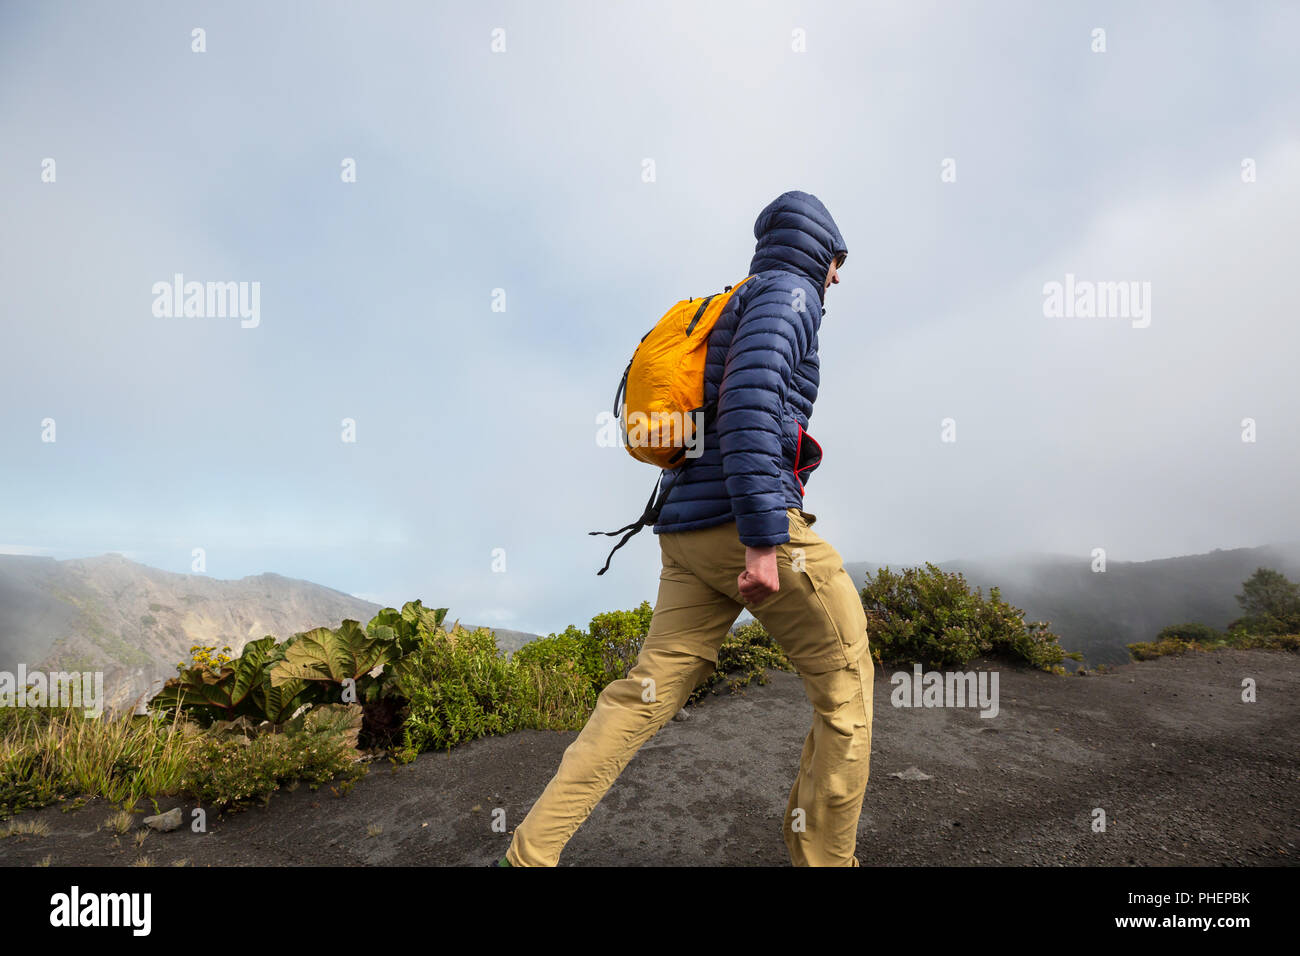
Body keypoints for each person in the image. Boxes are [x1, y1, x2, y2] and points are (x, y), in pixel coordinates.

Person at [500, 190, 873, 867]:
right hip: (747, 526)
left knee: (640, 694)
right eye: (839, 259)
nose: (839, 276)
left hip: (684, 532)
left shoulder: (730, 301)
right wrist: (764, 541)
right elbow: (749, 403)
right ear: (818, 249)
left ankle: (527, 856)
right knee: (846, 685)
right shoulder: (790, 295)